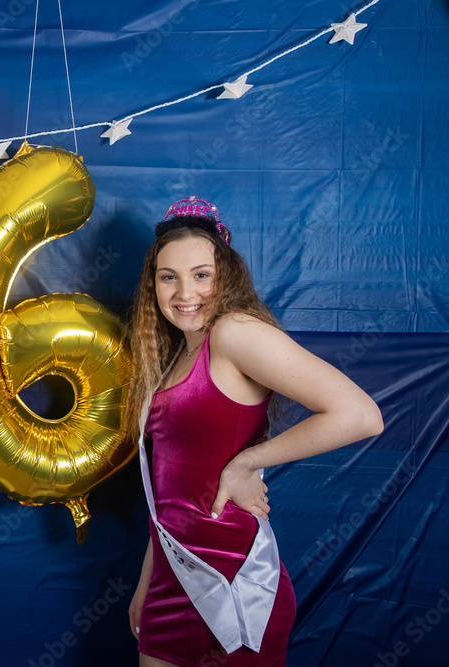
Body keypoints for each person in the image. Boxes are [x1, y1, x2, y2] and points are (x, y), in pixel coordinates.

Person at [124, 196, 384, 667]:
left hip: (233, 585)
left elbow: (361, 415)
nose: (185, 291)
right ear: (153, 283)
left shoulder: (234, 333)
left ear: (224, 276)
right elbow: (169, 493)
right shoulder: (174, 356)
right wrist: (147, 581)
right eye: (168, 277)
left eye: (201, 274)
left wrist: (247, 462)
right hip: (171, 579)